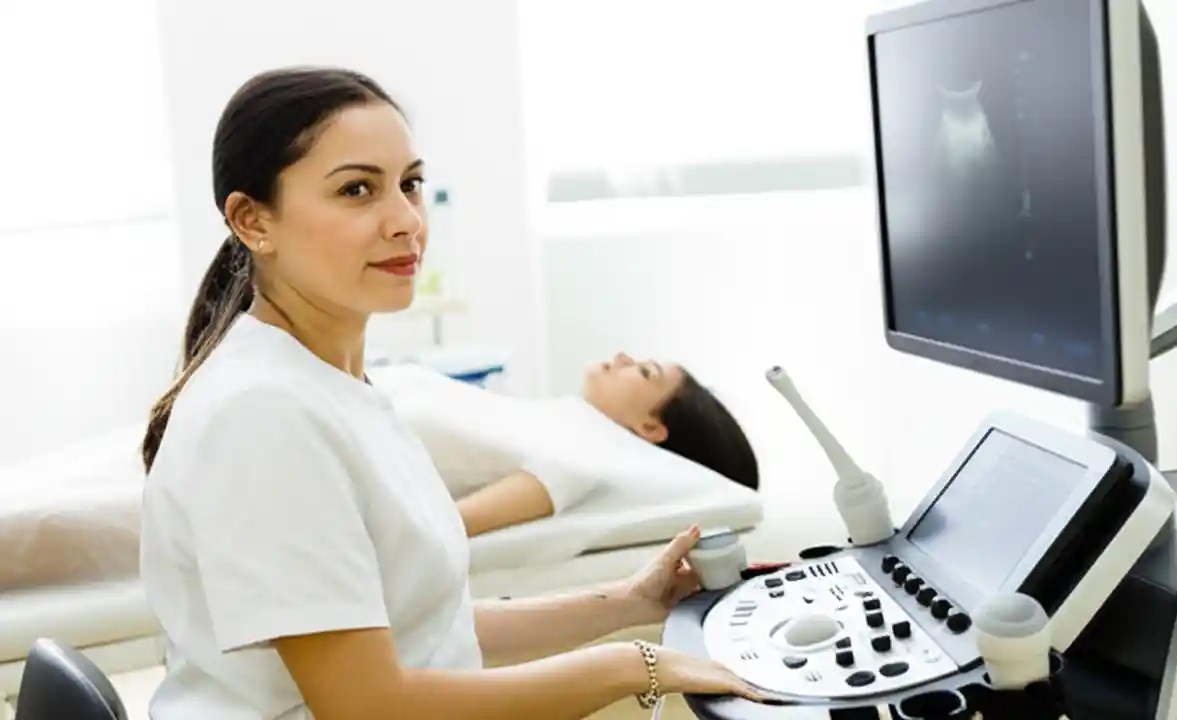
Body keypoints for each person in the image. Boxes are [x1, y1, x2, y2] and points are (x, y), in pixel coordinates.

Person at [138, 67, 760, 718]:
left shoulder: (336, 387)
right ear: (251, 220)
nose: (405, 220)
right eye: (357, 190)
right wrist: (631, 666)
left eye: (410, 184)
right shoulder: (263, 414)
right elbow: (370, 706)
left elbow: (426, 632)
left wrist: (631, 603)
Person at [410, 351, 760, 537]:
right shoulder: (567, 424)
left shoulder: (587, 456)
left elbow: (449, 526)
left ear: (651, 426)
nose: (623, 356)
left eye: (643, 371)